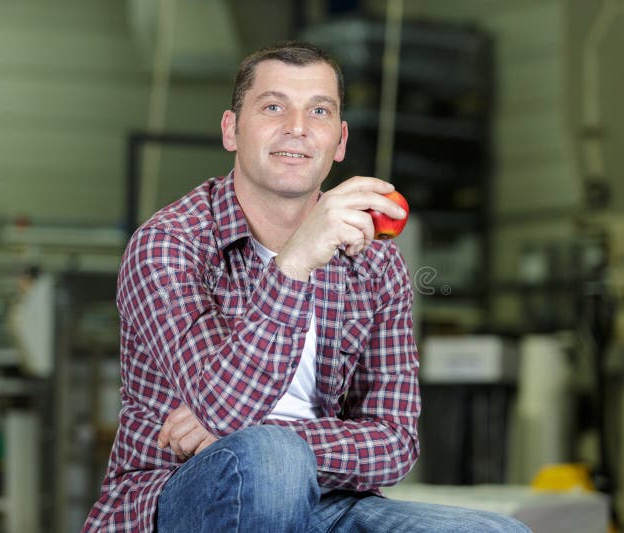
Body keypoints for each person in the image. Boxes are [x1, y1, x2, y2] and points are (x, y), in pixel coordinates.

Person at [83, 41, 530, 533]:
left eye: (318, 111)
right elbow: (220, 406)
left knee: (500, 532)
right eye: (273, 107)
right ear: (231, 130)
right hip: (179, 496)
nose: (297, 127)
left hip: (326, 499)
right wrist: (295, 262)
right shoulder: (168, 245)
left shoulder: (376, 261)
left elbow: (395, 443)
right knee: (271, 462)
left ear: (339, 141)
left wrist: (274, 435)